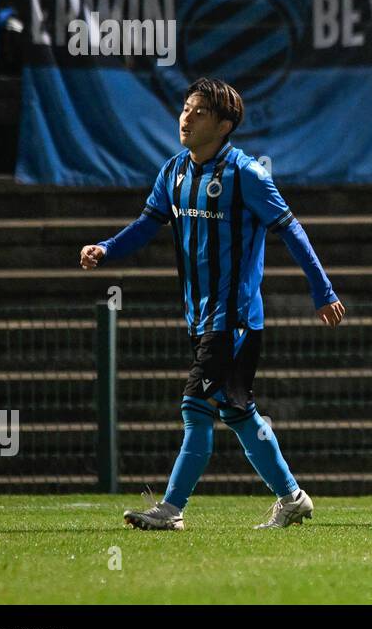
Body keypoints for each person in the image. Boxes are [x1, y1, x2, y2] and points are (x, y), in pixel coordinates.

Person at [81, 78, 344, 531]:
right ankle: (293, 498)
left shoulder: (247, 175)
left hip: (235, 320)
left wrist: (322, 290)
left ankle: (171, 509)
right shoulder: (174, 172)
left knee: (195, 405)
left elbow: (292, 231)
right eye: (185, 108)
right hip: (200, 317)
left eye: (198, 112)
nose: (185, 117)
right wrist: (107, 248)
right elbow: (146, 226)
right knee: (239, 414)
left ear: (224, 125)